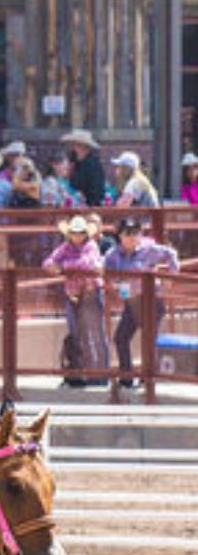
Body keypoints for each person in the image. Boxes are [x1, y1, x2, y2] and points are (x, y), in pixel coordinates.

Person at [104, 216, 180, 391]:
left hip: (151, 300)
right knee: (121, 337)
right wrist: (114, 285)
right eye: (127, 233)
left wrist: (171, 275)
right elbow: (106, 271)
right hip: (131, 302)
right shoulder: (113, 255)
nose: (131, 237)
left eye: (135, 233)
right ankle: (127, 377)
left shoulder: (149, 249)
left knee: (148, 339)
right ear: (120, 235)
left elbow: (171, 254)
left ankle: (148, 377)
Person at [42, 214, 111, 389]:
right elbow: (48, 262)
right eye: (74, 232)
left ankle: (101, 374)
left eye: (80, 232)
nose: (77, 236)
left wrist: (63, 267)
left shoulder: (91, 246)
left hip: (90, 294)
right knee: (76, 334)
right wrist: (55, 266)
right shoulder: (65, 248)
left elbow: (87, 264)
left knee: (96, 335)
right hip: (72, 295)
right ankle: (80, 374)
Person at [62, 130, 108, 207]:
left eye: (76, 145)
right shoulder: (77, 163)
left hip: (90, 207)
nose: (73, 148)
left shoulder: (92, 164)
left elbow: (93, 190)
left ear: (83, 147)